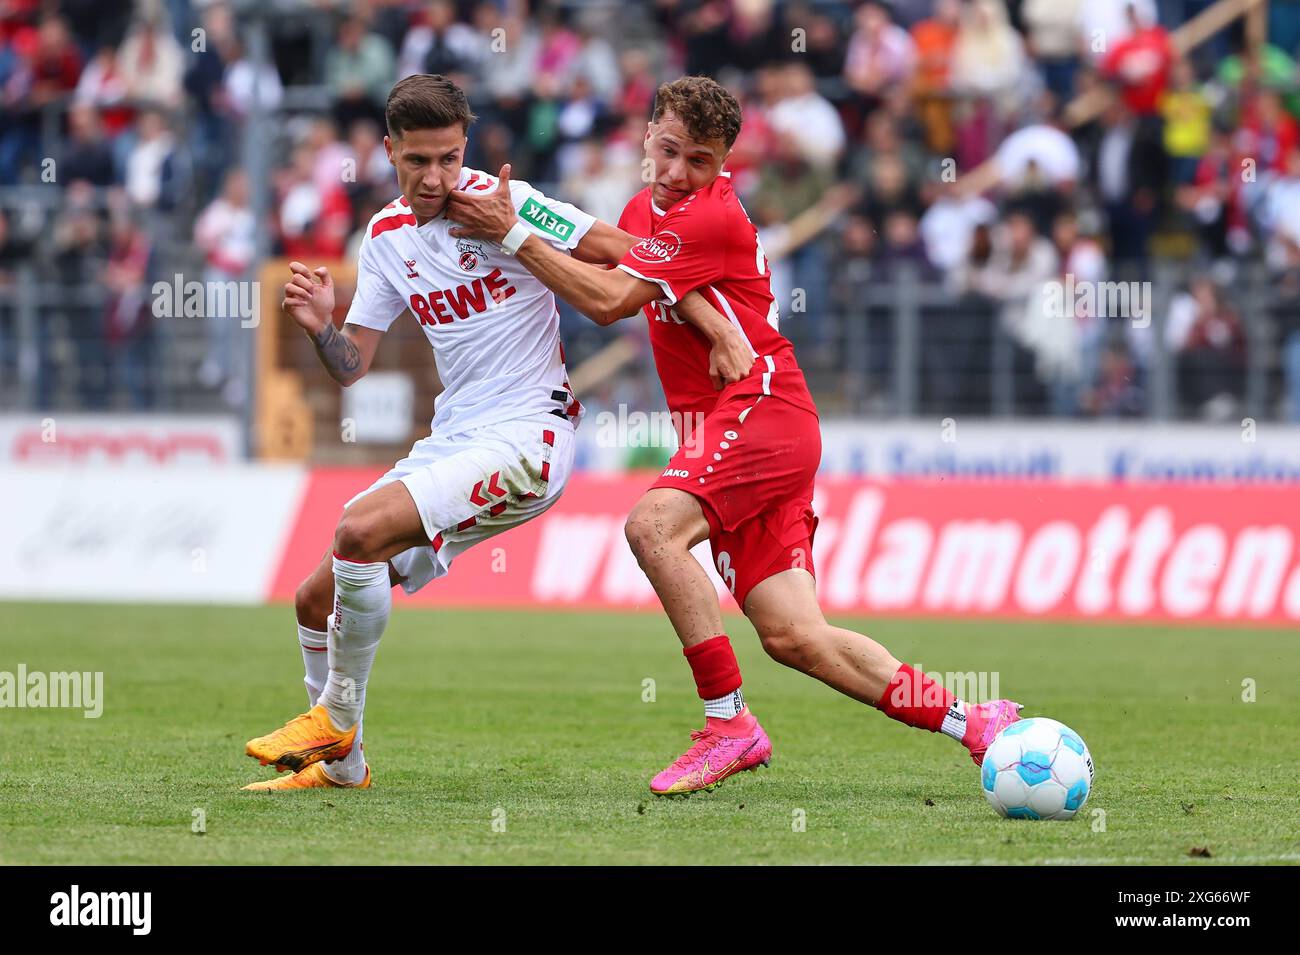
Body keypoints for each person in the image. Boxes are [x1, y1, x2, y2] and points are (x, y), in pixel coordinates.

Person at [448, 76, 1025, 796]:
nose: (680, 172)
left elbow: (605, 299)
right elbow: (607, 240)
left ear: (725, 163)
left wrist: (508, 230)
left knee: (653, 529)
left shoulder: (708, 217)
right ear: (648, 133)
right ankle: (977, 722)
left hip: (761, 407)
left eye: (701, 160)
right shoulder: (648, 207)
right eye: (669, 151)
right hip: (746, 424)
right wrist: (526, 211)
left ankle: (729, 724)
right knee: (794, 635)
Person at [242, 74, 728, 791]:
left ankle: (335, 715)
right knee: (316, 597)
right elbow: (354, 365)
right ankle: (344, 766)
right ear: (390, 153)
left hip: (532, 438)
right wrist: (322, 329)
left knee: (355, 531)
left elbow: (631, 252)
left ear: (465, 148)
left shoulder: (510, 205)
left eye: (448, 157)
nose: (436, 176)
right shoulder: (383, 240)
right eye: (418, 162)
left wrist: (718, 324)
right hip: (456, 438)